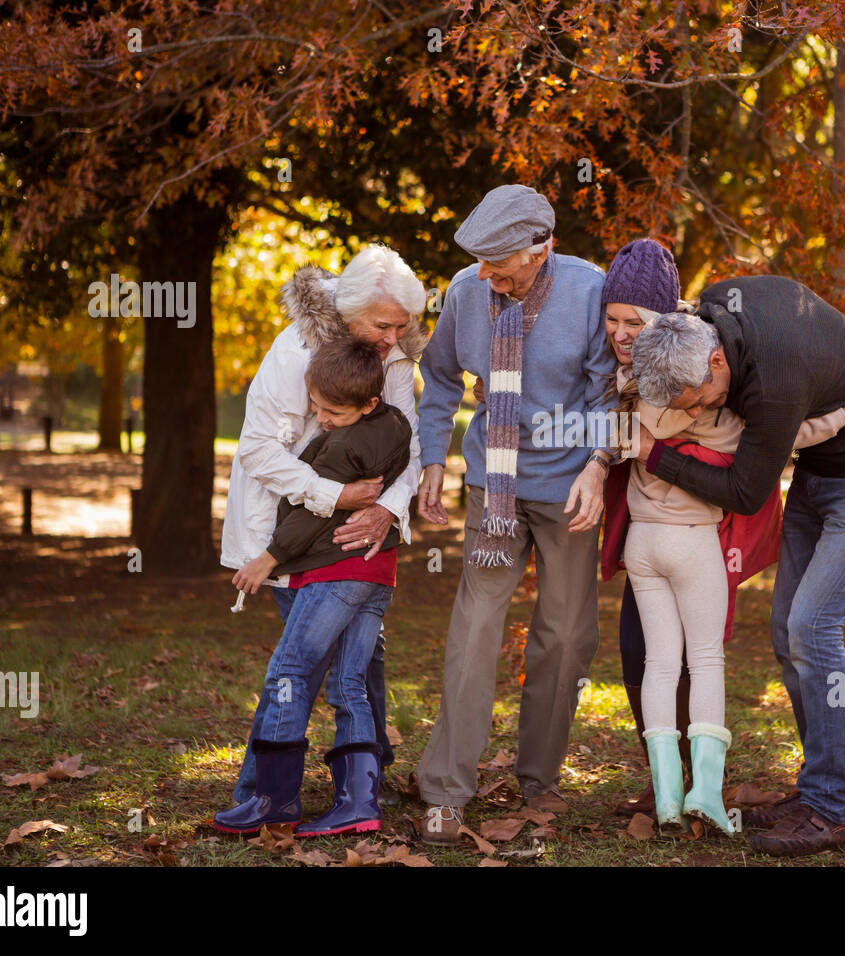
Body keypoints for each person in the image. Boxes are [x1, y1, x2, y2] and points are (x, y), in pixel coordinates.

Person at [630, 277, 845, 856]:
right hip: (823, 468)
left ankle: (829, 808)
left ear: (718, 360)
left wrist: (657, 456)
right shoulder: (711, 312)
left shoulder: (772, 379)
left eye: (700, 398)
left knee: (812, 626)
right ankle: (819, 786)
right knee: (786, 628)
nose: (699, 412)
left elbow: (742, 491)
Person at [413, 184, 615, 844]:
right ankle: (445, 789)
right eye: (479, 261)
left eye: (498, 263)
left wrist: (597, 467)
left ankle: (540, 779)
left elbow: (608, 391)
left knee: (565, 634)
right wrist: (435, 459)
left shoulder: (590, 291)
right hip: (493, 486)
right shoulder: (470, 293)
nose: (483, 275)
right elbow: (440, 375)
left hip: (567, 488)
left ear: (540, 251)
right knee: (475, 625)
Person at [220, 244, 427, 809]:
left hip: (362, 535)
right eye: (383, 325)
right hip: (289, 531)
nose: (392, 337)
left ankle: (359, 788)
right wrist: (336, 496)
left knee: (357, 663)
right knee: (305, 661)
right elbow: (259, 450)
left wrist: (388, 508)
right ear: (350, 310)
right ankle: (265, 791)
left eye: (402, 326)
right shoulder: (295, 353)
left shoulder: (393, 353)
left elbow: (408, 445)